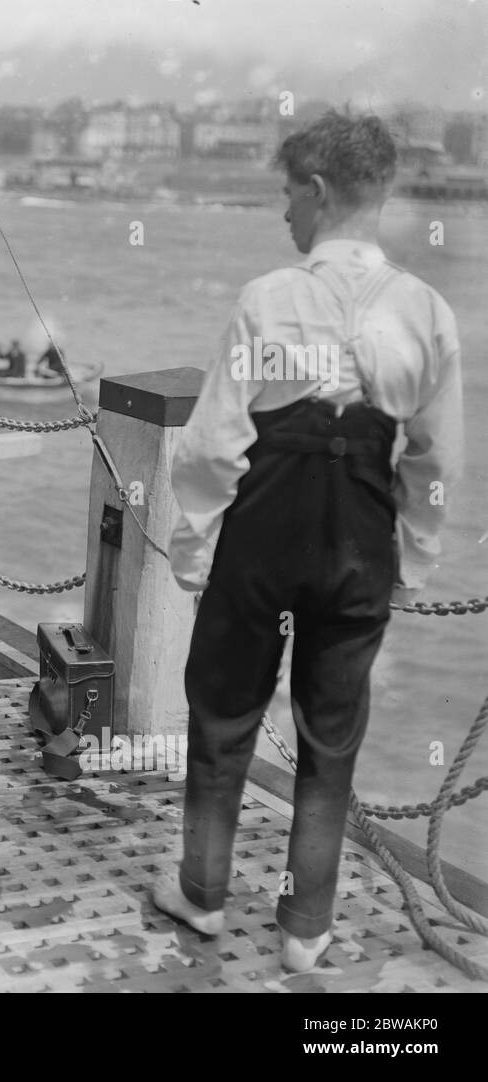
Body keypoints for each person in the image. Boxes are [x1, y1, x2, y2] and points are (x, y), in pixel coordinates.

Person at [153, 112, 463, 973]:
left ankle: (204, 896)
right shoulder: (426, 309)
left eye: (290, 193)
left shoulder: (268, 298)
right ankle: (305, 930)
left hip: (263, 533)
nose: (285, 212)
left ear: (319, 191)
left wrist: (193, 550)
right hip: (363, 541)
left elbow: (213, 446)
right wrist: (416, 558)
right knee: (332, 738)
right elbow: (436, 458)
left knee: (222, 718)